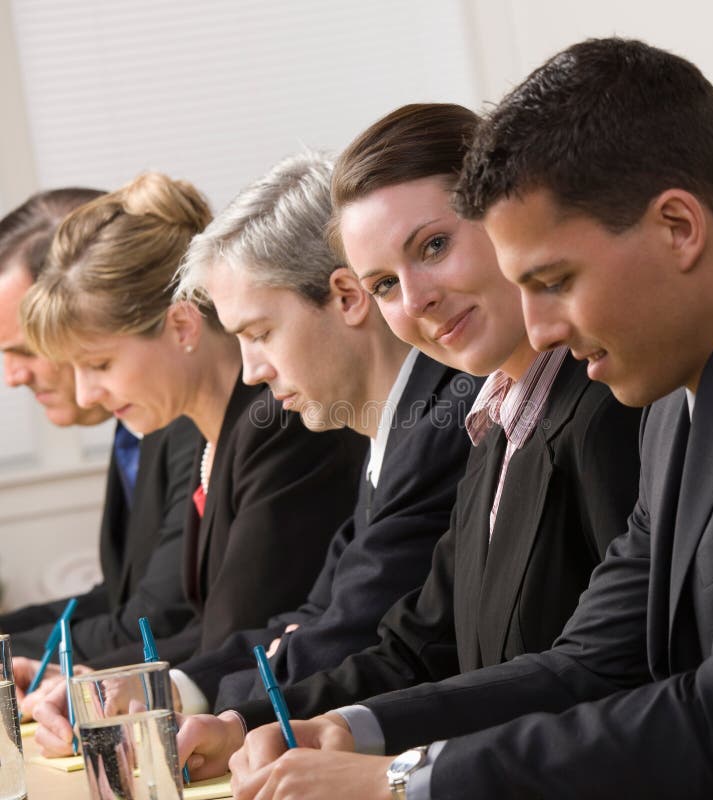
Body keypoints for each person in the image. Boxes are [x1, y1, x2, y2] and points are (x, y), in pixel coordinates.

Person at [225, 38, 713, 800]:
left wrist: (398, 782)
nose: (541, 328)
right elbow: (587, 664)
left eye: (555, 281)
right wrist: (352, 729)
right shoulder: (670, 404)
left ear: (678, 227)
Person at [176, 104, 642, 780]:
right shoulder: (491, 426)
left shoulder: (605, 410)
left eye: (434, 247)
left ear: (507, 222)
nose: (416, 298)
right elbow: (419, 645)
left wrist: (397, 781)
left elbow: (604, 677)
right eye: (386, 285)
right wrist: (259, 726)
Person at [18, 172, 365, 756]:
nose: (84, 394)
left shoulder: (277, 422)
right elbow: (202, 629)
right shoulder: (207, 435)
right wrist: (90, 679)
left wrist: (108, 685)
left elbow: (236, 631)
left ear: (181, 326)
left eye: (98, 364)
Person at [163, 151, 477, 715]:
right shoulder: (389, 432)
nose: (251, 372)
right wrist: (175, 688)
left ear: (347, 297)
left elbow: (339, 643)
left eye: (260, 333)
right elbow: (311, 618)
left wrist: (224, 703)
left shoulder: (442, 426)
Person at [0, 188, 199, 671]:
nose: (12, 377)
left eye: (25, 350)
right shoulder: (134, 423)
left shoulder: (183, 417)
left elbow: (155, 618)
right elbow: (121, 594)